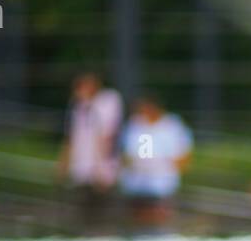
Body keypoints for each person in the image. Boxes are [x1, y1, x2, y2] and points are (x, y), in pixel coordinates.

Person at [56, 71, 123, 223]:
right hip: (82, 171)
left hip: (102, 171)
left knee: (105, 214)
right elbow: (71, 138)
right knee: (82, 213)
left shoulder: (108, 101)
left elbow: (106, 136)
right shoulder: (78, 108)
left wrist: (102, 169)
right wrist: (63, 165)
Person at [118, 94, 193, 227]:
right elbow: (132, 155)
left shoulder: (172, 126)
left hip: (163, 185)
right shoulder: (136, 126)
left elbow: (183, 156)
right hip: (138, 186)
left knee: (161, 221)